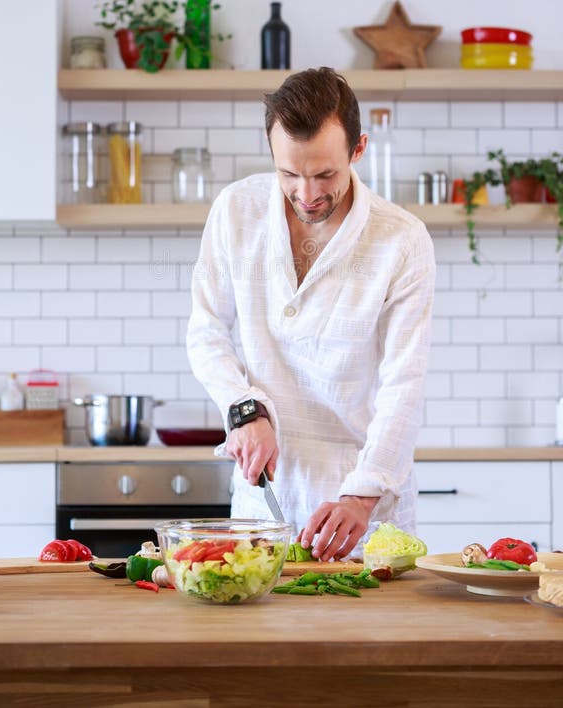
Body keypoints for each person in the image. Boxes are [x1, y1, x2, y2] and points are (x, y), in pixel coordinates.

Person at [186, 67, 435, 560]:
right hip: (264, 504)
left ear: (358, 149)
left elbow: (404, 385)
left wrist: (361, 496)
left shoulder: (402, 241)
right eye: (289, 174)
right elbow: (206, 331)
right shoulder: (236, 210)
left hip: (362, 514)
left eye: (325, 175)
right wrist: (244, 409)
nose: (306, 194)